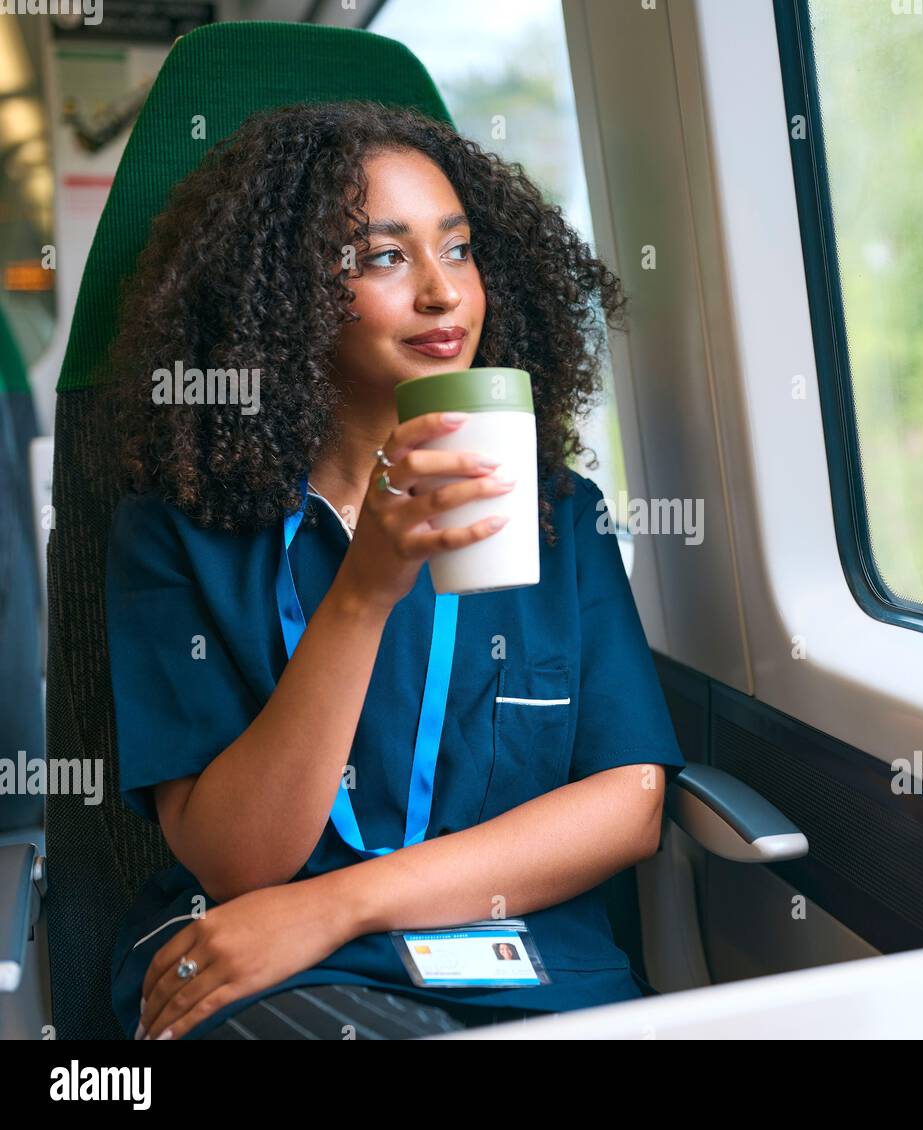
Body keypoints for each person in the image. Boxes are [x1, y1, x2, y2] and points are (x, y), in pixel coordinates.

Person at [102, 100, 686, 1040]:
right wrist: (367, 587)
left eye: (457, 249)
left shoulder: (555, 512)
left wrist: (338, 904)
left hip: (522, 966)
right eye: (383, 257)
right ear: (284, 297)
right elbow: (239, 864)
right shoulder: (177, 533)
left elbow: (629, 805)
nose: (443, 293)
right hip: (276, 971)